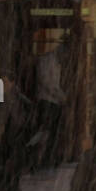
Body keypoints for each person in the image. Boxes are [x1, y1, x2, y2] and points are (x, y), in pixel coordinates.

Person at [34, 39, 67, 170]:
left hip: (54, 102)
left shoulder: (56, 62)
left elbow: (53, 84)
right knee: (46, 132)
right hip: (46, 101)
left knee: (54, 132)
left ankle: (51, 158)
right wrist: (60, 96)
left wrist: (61, 96)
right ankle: (44, 159)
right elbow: (46, 82)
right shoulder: (46, 61)